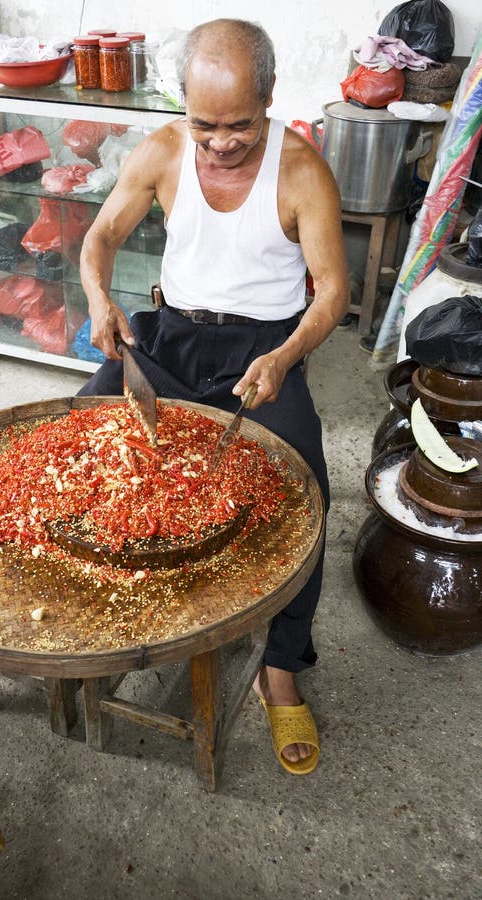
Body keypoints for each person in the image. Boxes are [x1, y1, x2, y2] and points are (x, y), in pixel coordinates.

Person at [79, 18, 349, 774]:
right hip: (166, 343)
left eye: (240, 125)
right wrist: (100, 301)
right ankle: (111, 609)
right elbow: (98, 239)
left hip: (261, 353)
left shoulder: (301, 171)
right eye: (204, 124)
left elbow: (332, 293)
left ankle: (281, 668)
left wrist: (288, 353)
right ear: (183, 106)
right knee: (81, 436)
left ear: (269, 100)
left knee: (307, 496)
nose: (221, 143)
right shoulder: (163, 153)